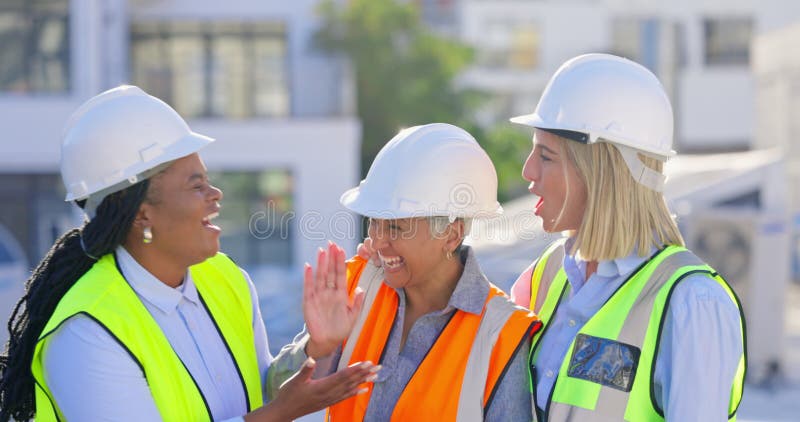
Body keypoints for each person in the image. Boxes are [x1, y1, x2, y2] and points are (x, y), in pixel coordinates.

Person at [0, 85, 377, 422]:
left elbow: (257, 391)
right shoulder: (85, 331)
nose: (216, 195)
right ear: (141, 212)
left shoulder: (225, 279)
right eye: (197, 186)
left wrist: (317, 348)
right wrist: (281, 415)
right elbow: (270, 411)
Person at [506, 54, 746, 421]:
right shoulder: (546, 273)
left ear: (601, 173)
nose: (528, 171)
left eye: (547, 156)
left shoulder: (691, 304)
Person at [268, 123, 541, 420]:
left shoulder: (501, 333)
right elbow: (272, 392)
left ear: (451, 234)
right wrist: (317, 349)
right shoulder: (356, 286)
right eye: (374, 222)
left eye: (396, 227)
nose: (377, 240)